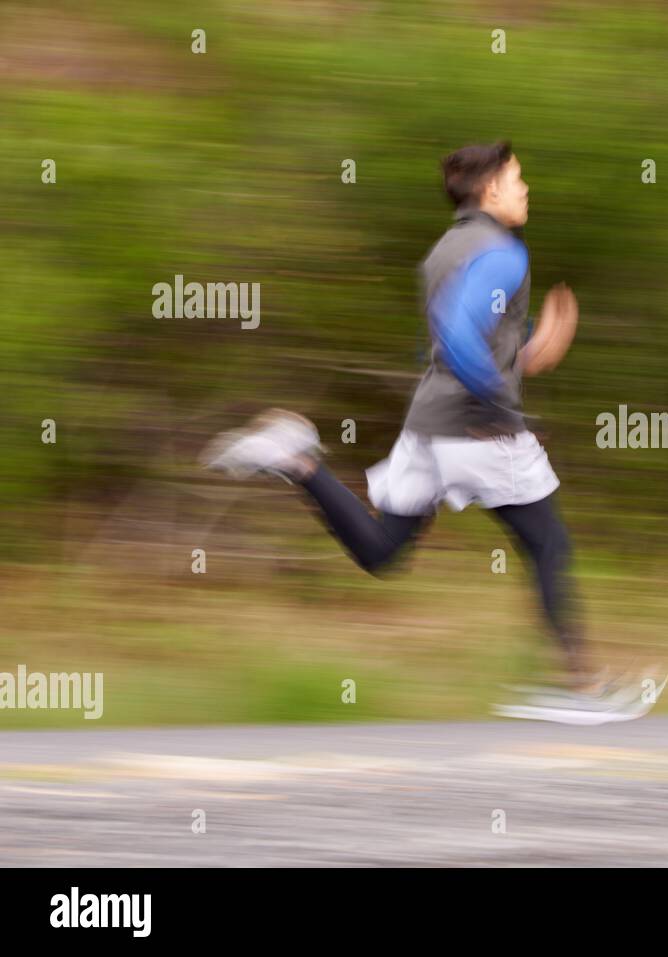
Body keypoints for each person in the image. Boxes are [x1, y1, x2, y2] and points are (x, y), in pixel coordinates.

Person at [201, 142, 642, 721]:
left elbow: (448, 339)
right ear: (490, 192)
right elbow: (460, 337)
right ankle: (580, 690)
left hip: (428, 424)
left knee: (384, 552)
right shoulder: (503, 252)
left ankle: (297, 461)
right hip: (480, 430)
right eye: (518, 179)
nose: (526, 189)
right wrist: (497, 397)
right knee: (548, 545)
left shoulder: (446, 249)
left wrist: (529, 351)